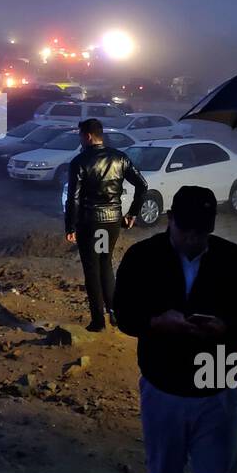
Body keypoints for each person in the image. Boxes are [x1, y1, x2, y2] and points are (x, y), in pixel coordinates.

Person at [114, 186, 237, 473]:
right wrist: (156, 322)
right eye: (186, 230)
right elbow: (124, 316)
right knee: (163, 472)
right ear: (170, 218)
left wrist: (225, 328)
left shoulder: (235, 259)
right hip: (163, 387)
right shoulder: (142, 257)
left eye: (202, 232)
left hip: (217, 390)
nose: (193, 239)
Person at [65, 118, 147, 332]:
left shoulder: (80, 161)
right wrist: (133, 213)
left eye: (81, 135)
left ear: (88, 136)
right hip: (111, 222)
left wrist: (70, 227)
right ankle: (114, 313)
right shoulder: (120, 158)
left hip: (89, 223)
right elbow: (143, 185)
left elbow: (73, 198)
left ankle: (97, 322)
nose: (80, 139)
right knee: (106, 265)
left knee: (92, 270)